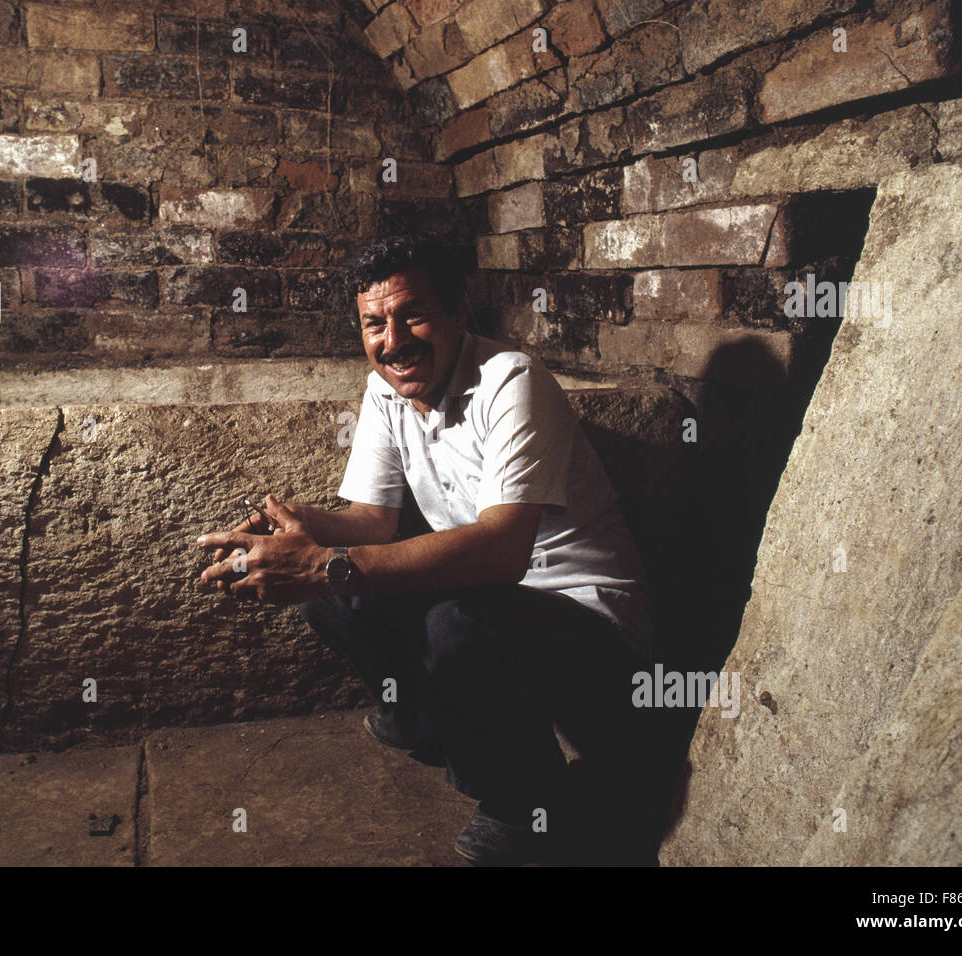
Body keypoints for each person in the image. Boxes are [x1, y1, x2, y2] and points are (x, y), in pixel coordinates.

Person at [195, 235, 653, 865]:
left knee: (446, 621)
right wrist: (302, 527)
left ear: (458, 313)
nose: (394, 340)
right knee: (326, 593)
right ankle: (418, 713)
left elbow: (501, 551)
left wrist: (323, 564)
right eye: (374, 324)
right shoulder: (387, 390)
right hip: (492, 598)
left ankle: (529, 804)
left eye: (413, 315)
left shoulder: (511, 381)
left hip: (588, 632)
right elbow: (373, 520)